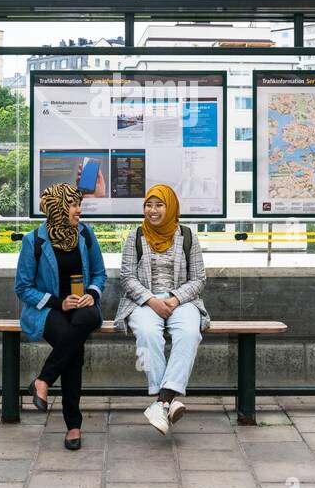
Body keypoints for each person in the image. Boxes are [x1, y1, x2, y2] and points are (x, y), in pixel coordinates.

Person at [14, 182, 107, 450]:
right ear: (58, 207)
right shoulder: (34, 241)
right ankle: (73, 426)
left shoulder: (85, 234)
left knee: (87, 319)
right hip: (48, 310)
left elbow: (101, 273)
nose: (79, 210)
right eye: (74, 204)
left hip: (82, 306)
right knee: (73, 348)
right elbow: (22, 287)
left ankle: (43, 380)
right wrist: (58, 302)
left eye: (79, 204)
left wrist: (92, 292)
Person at [114, 184, 208, 435]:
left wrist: (175, 298)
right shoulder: (135, 236)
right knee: (147, 333)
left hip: (182, 301)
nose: (152, 211)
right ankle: (169, 399)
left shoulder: (187, 236)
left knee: (189, 333)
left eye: (159, 205)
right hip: (143, 301)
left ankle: (161, 401)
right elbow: (127, 277)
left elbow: (199, 279)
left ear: (171, 207)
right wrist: (151, 300)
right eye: (148, 205)